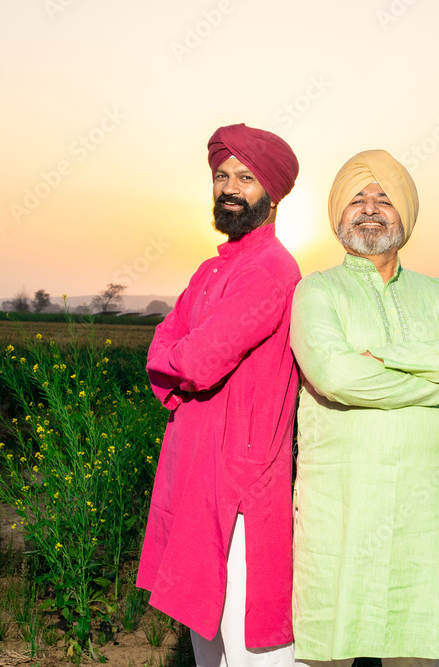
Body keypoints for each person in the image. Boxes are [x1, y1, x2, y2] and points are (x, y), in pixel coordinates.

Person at [289, 149, 439, 666]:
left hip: (425, 505)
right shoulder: (316, 291)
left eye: (385, 198)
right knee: (329, 648)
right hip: (341, 503)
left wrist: (379, 358)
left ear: (406, 213)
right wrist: (434, 381)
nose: (370, 208)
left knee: (418, 648)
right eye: (357, 198)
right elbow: (336, 376)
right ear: (339, 216)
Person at [136, 123, 301, 666]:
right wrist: (174, 356)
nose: (230, 187)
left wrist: (174, 358)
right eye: (222, 175)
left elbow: (197, 359)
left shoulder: (272, 270)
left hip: (239, 475)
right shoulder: (211, 268)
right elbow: (165, 338)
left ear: (271, 193)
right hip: (194, 464)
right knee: (207, 636)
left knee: (251, 641)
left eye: (246, 177)